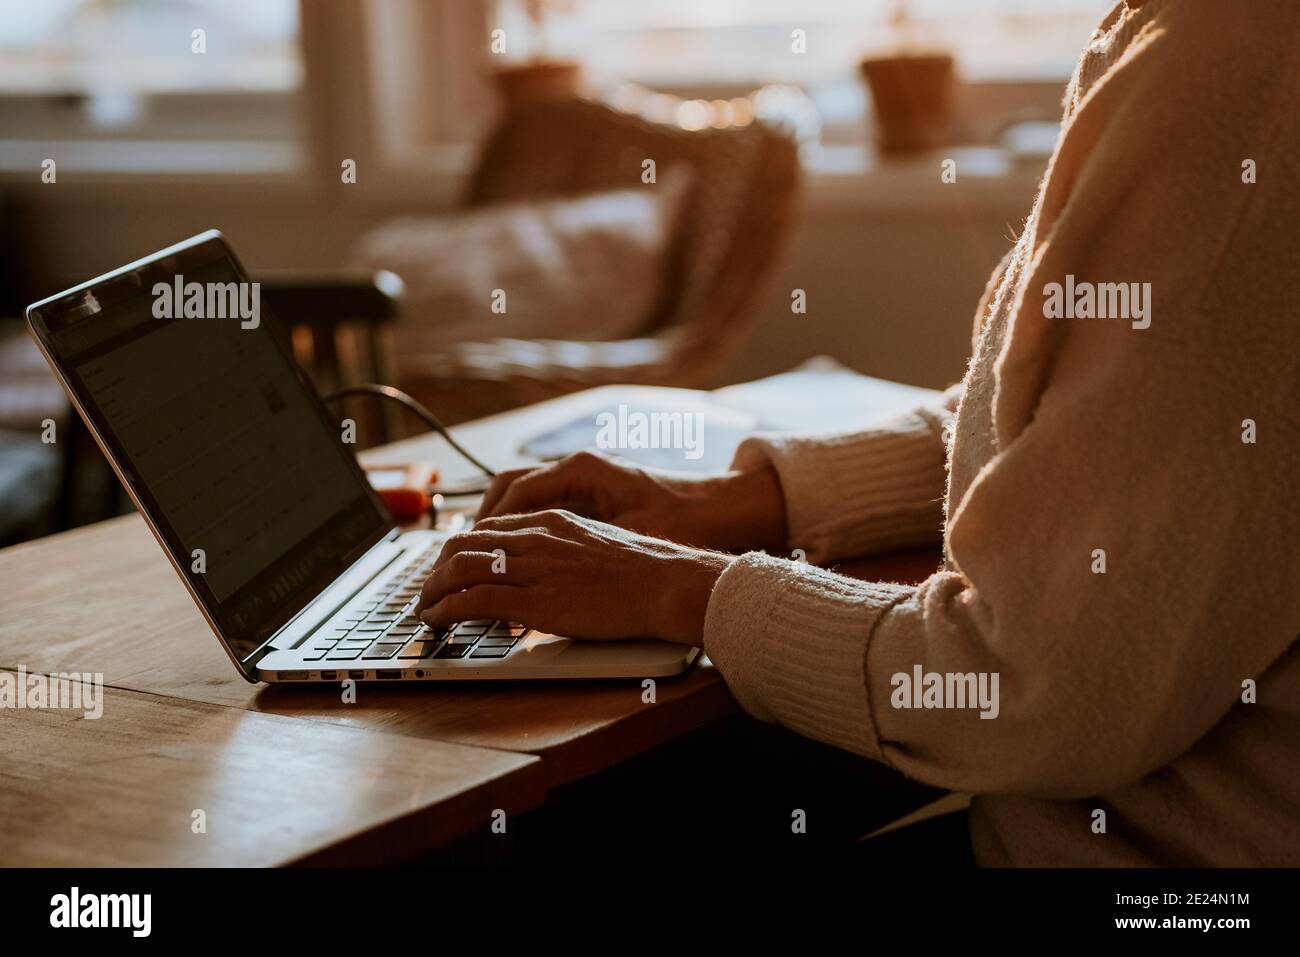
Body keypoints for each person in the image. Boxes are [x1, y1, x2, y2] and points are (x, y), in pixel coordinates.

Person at [417, 0, 1300, 865]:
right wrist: (742, 501)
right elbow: (1078, 427)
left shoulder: (1236, 79)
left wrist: (686, 593)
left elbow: (1023, 685)